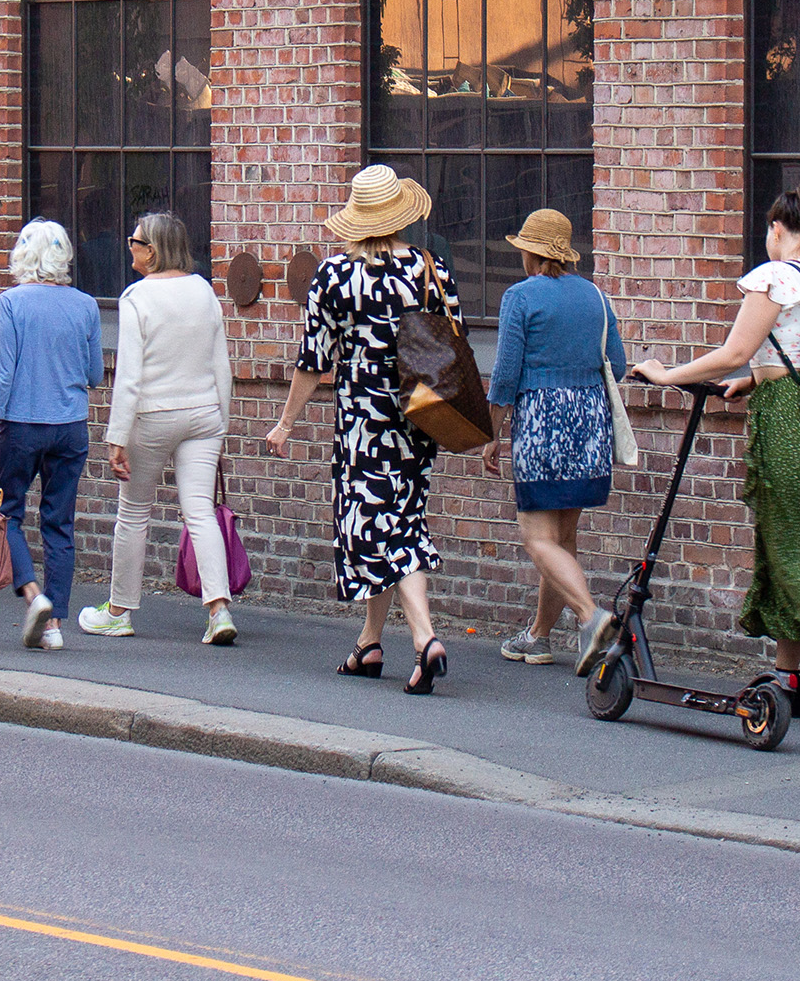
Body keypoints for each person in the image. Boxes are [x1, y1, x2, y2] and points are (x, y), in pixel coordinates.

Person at [633, 184, 800, 727]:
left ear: (778, 228)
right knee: (793, 548)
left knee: (796, 554)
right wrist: (752, 382)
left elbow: (733, 350)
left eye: (768, 230)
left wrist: (665, 374)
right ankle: (786, 678)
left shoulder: (775, 277)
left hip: (793, 429)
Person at [264, 166, 455, 694]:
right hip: (420, 416)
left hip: (365, 421)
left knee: (376, 527)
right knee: (400, 517)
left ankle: (424, 639)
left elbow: (313, 360)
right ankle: (369, 643)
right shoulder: (430, 270)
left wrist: (285, 423)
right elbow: (449, 340)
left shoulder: (334, 277)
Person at [78, 211, 237, 646]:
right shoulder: (204, 291)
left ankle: (118, 611)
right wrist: (221, 422)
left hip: (152, 414)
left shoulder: (136, 298)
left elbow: (129, 376)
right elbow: (220, 364)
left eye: (136, 240)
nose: (129, 246)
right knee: (200, 512)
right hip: (204, 413)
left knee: (132, 514)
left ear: (152, 250)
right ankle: (218, 610)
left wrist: (115, 438)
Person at [482, 208, 620, 671]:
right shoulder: (596, 297)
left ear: (531, 253)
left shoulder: (520, 297)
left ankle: (590, 616)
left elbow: (505, 375)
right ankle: (538, 637)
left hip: (544, 423)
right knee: (562, 537)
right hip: (591, 424)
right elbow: (615, 366)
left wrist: (492, 433)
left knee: (537, 538)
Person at [0, 220, 102, 650]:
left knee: (2, 515)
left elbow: (2, 372)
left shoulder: (11, 303)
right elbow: (95, 374)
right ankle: (55, 624)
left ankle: (32, 595)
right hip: (71, 427)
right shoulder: (86, 305)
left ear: (22, 255)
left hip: (21, 428)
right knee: (59, 524)